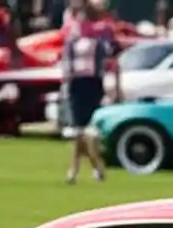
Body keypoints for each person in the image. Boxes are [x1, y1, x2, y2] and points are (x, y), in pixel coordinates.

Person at [61, 0, 118, 183]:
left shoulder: (99, 36)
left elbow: (109, 58)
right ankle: (90, 167)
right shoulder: (72, 36)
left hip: (93, 83)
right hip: (76, 84)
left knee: (89, 130)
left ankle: (78, 169)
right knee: (79, 131)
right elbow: (67, 61)